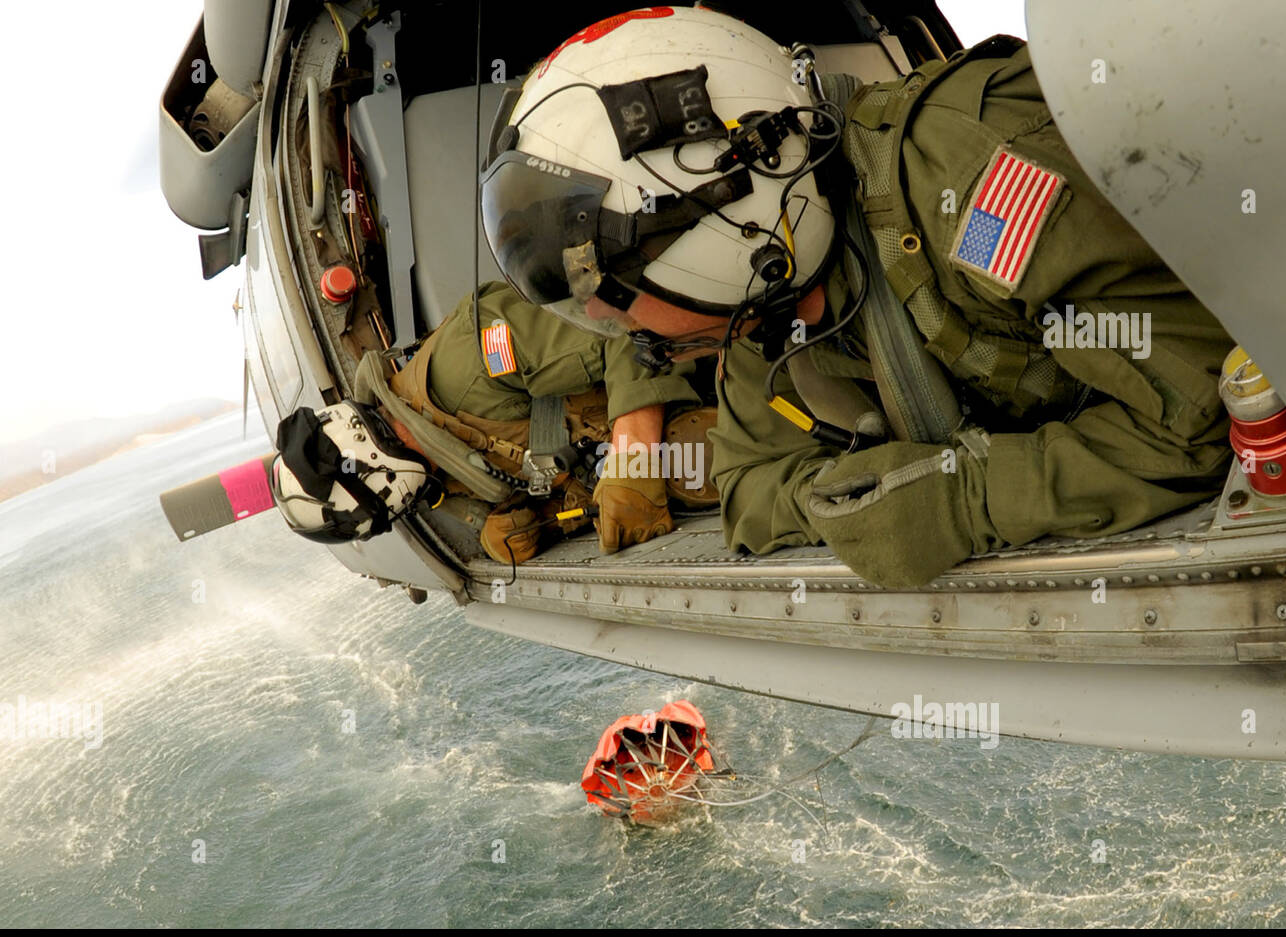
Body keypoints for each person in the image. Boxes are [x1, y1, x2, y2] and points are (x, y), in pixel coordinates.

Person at [477, 7, 1234, 587]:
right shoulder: (754, 315)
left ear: (727, 230)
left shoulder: (973, 192)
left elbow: (1197, 426)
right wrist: (854, 498)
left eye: (612, 291)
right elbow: (747, 487)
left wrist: (964, 500)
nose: (609, 325)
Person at [382, 281, 717, 564]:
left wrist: (633, 457)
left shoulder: (466, 364)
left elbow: (626, 323)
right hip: (607, 470)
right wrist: (532, 526)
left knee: (693, 455)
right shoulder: (431, 476)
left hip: (689, 371)